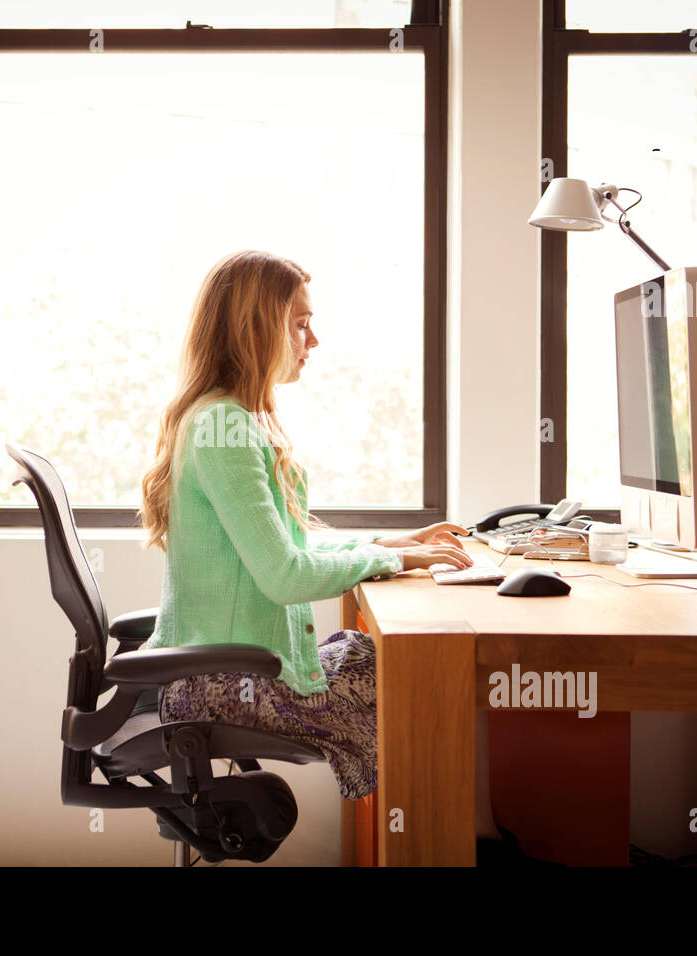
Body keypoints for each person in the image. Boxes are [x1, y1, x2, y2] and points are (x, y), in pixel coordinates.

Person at [136, 249, 474, 802]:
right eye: (300, 325)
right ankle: (439, 843)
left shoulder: (227, 417)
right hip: (224, 686)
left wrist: (386, 544)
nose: (312, 341)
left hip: (222, 674)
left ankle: (443, 837)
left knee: (377, 659)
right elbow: (285, 577)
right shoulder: (224, 425)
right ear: (254, 329)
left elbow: (280, 547)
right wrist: (392, 562)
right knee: (419, 682)